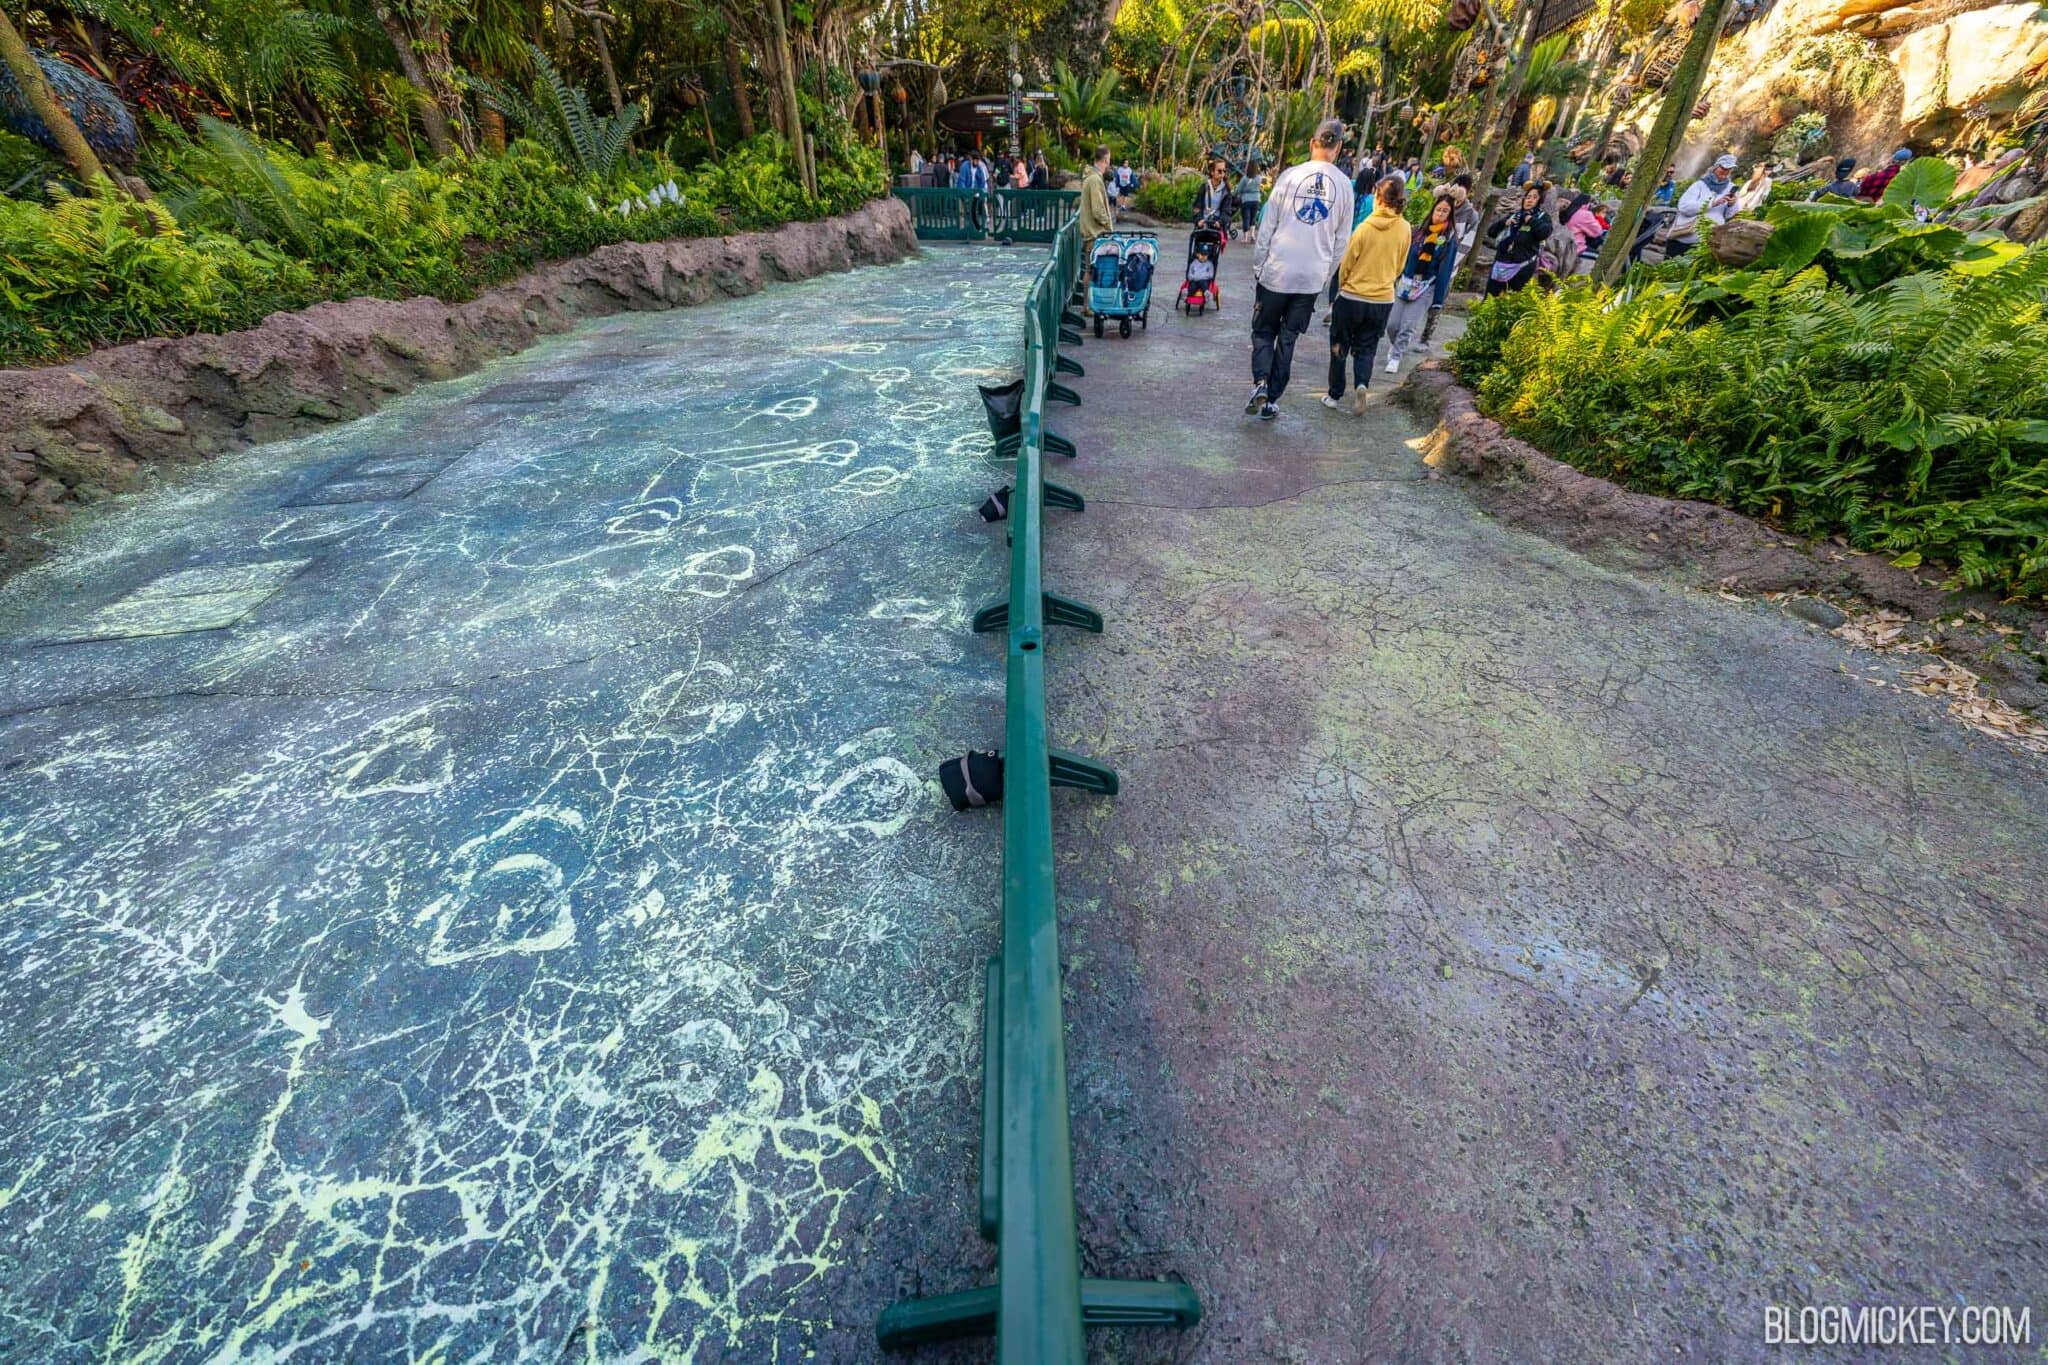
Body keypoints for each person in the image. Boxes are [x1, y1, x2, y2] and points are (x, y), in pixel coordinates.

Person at [1247, 118, 1355, 420]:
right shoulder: (1344, 187)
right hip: (1310, 279)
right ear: (1338, 148)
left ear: (1312, 143)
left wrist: (1259, 266)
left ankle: (1261, 382)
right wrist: (1324, 277)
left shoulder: (1290, 176)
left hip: (1277, 272)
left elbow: (1267, 226)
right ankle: (1271, 400)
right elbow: (1342, 242)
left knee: (1263, 331)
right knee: (1288, 338)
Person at [1324, 174, 1411, 412]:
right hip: (1382, 299)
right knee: (1367, 347)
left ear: (1378, 198)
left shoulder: (1364, 228)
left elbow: (1346, 264)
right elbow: (1400, 265)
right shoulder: (1405, 229)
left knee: (1339, 345)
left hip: (1353, 296)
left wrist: (1342, 287)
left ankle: (1334, 394)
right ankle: (1362, 384)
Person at [1383, 192, 1459, 372]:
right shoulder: (1418, 232)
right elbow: (1404, 255)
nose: (1440, 214)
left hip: (1426, 286)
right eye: (1438, 209)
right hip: (1406, 282)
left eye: (1445, 211)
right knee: (1392, 324)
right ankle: (1395, 344)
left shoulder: (1448, 239)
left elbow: (1445, 270)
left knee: (1408, 325)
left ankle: (1396, 356)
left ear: (1450, 215)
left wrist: (1438, 300)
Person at [1642, 153, 1738, 261]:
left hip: (1708, 241)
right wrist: (1712, 203)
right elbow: (1683, 206)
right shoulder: (1700, 184)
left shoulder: (1732, 188)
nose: (1726, 171)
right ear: (1716, 167)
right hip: (1685, 236)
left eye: (1729, 169)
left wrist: (1731, 204)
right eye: (1723, 168)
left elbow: (1729, 215)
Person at [1485, 181, 1552, 295]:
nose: (1529, 200)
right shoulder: (1514, 215)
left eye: (1534, 197)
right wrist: (1505, 223)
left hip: (1523, 266)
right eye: (1528, 197)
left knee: (1513, 300)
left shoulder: (1542, 217)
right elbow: (1491, 232)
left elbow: (1544, 233)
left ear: (1540, 201)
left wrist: (1530, 220)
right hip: (1501, 263)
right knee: (1490, 298)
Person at [1078, 144, 1115, 313]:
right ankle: (1091, 306)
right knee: (1094, 271)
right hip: (1096, 234)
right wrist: (1108, 226)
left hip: (1091, 233)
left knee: (1090, 271)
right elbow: (1098, 211)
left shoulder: (1091, 178)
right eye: (1109, 159)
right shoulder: (1094, 180)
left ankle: (1087, 306)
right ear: (1105, 159)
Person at [1197, 159, 1234, 224]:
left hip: (1217, 224)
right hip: (1203, 224)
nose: (1222, 173)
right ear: (1212, 172)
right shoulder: (1204, 187)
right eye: (1219, 171)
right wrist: (1199, 220)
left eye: (1224, 171)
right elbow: (1197, 206)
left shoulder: (1226, 190)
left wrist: (1220, 222)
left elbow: (1226, 211)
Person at [1236, 160, 1263, 234]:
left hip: (1246, 200)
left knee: (1246, 218)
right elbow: (1258, 187)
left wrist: (1235, 193)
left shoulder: (1244, 178)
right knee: (1253, 218)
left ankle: (1245, 238)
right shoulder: (1259, 178)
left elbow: (1238, 189)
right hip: (1256, 200)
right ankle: (1253, 235)